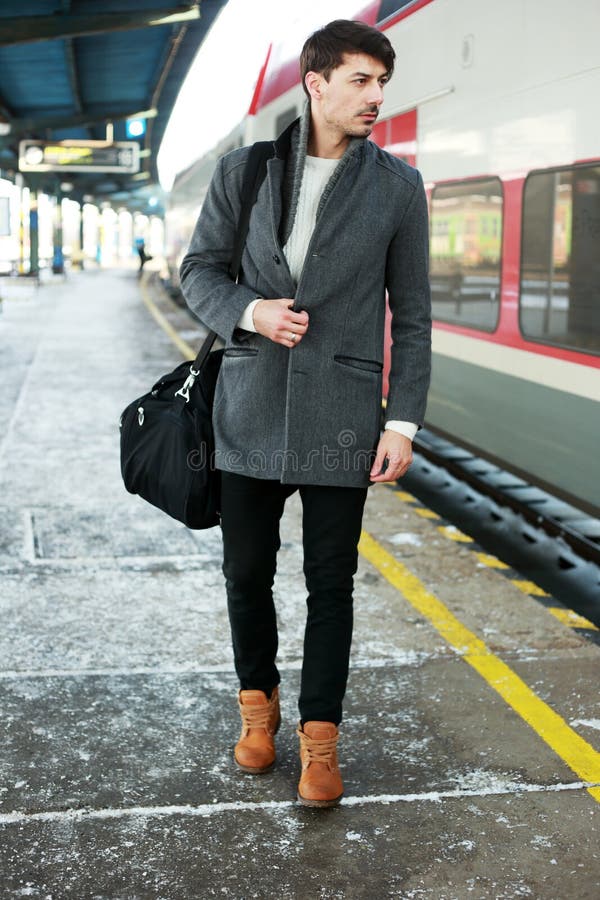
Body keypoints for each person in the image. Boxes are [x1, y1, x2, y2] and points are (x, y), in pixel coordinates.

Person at [180, 19, 431, 808]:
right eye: (360, 79)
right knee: (246, 574)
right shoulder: (245, 171)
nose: (376, 96)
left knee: (333, 583)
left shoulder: (397, 186)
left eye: (382, 81)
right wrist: (251, 313)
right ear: (316, 85)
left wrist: (404, 420)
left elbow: (414, 316)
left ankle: (321, 742)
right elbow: (199, 271)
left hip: (344, 412)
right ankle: (258, 710)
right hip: (249, 406)